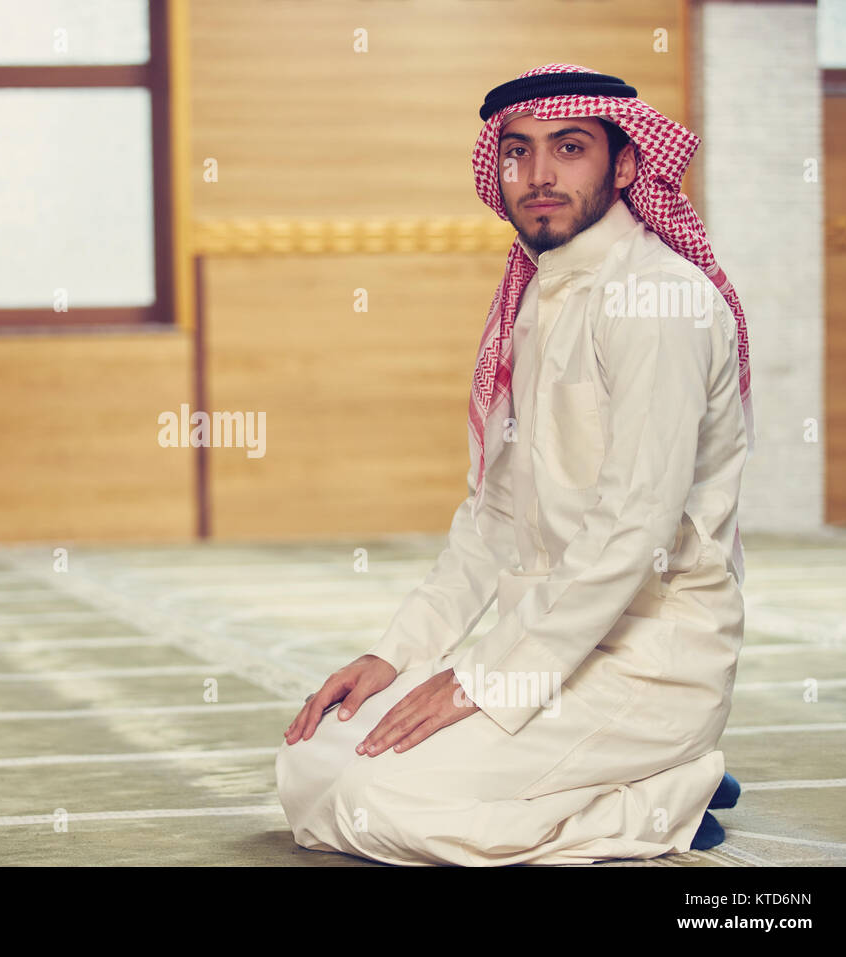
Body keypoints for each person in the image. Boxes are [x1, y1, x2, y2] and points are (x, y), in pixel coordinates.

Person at [275, 63, 753, 866]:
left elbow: (633, 532)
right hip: (541, 641)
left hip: (649, 660)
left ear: (628, 164)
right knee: (310, 761)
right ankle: (610, 783)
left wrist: (487, 680)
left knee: (371, 801)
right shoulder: (539, 292)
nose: (538, 176)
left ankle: (667, 788)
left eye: (569, 148)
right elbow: (495, 518)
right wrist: (399, 654)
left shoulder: (659, 302)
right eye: (518, 152)